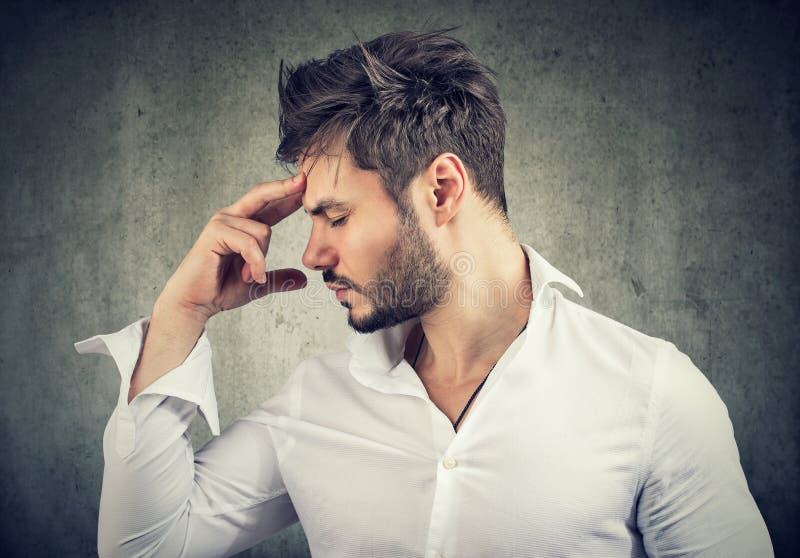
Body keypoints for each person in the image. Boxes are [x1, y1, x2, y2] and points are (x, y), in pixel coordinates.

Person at [74, 29, 773, 557]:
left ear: (441, 189)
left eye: (335, 216)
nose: (311, 253)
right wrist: (180, 315)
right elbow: (147, 547)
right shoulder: (315, 403)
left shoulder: (653, 395)